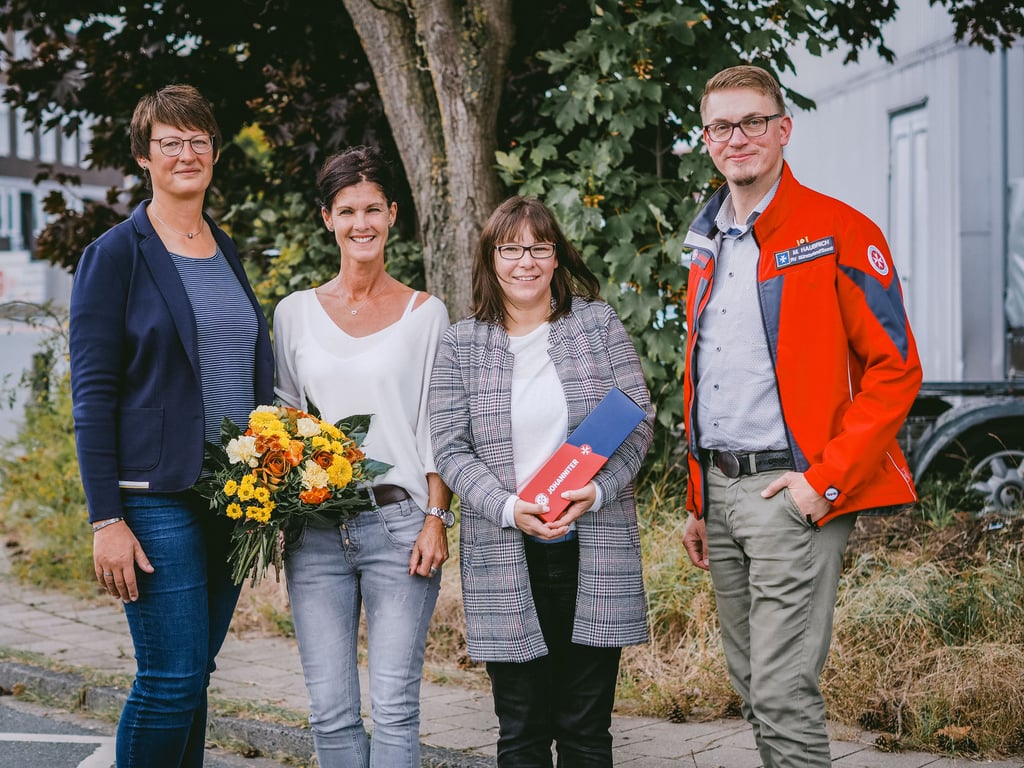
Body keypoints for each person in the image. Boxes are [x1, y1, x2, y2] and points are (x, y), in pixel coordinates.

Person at [680, 65, 922, 767]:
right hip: (721, 494)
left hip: (795, 491)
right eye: (721, 126)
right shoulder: (708, 243)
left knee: (783, 691)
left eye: (753, 121)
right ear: (706, 140)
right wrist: (698, 501)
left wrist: (827, 480)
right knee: (753, 685)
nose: (738, 138)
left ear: (783, 129)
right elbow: (712, 378)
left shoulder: (838, 230)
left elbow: (896, 369)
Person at [69, 84, 275, 767]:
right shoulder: (116, 255)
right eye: (170, 142)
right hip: (153, 497)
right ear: (143, 157)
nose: (187, 153)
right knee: (169, 680)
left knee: (194, 681)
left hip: (229, 495)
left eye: (198, 140)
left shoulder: (225, 247)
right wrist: (107, 520)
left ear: (214, 152)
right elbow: (93, 396)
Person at [430, 196, 654, 767]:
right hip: (506, 550)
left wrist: (599, 491)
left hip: (593, 545)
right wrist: (507, 506)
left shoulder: (596, 324)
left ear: (556, 257)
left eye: (538, 248)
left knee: (585, 729)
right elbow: (451, 449)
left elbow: (638, 420)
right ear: (491, 259)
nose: (524, 262)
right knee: (522, 730)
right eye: (510, 249)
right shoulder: (461, 344)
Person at [272, 145, 452, 768]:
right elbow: (285, 420)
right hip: (315, 530)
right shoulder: (293, 314)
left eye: (373, 208)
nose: (361, 223)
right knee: (329, 709)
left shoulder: (425, 315)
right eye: (347, 210)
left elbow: (437, 426)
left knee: (396, 706)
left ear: (393, 214)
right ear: (327, 218)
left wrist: (437, 519)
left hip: (400, 525)